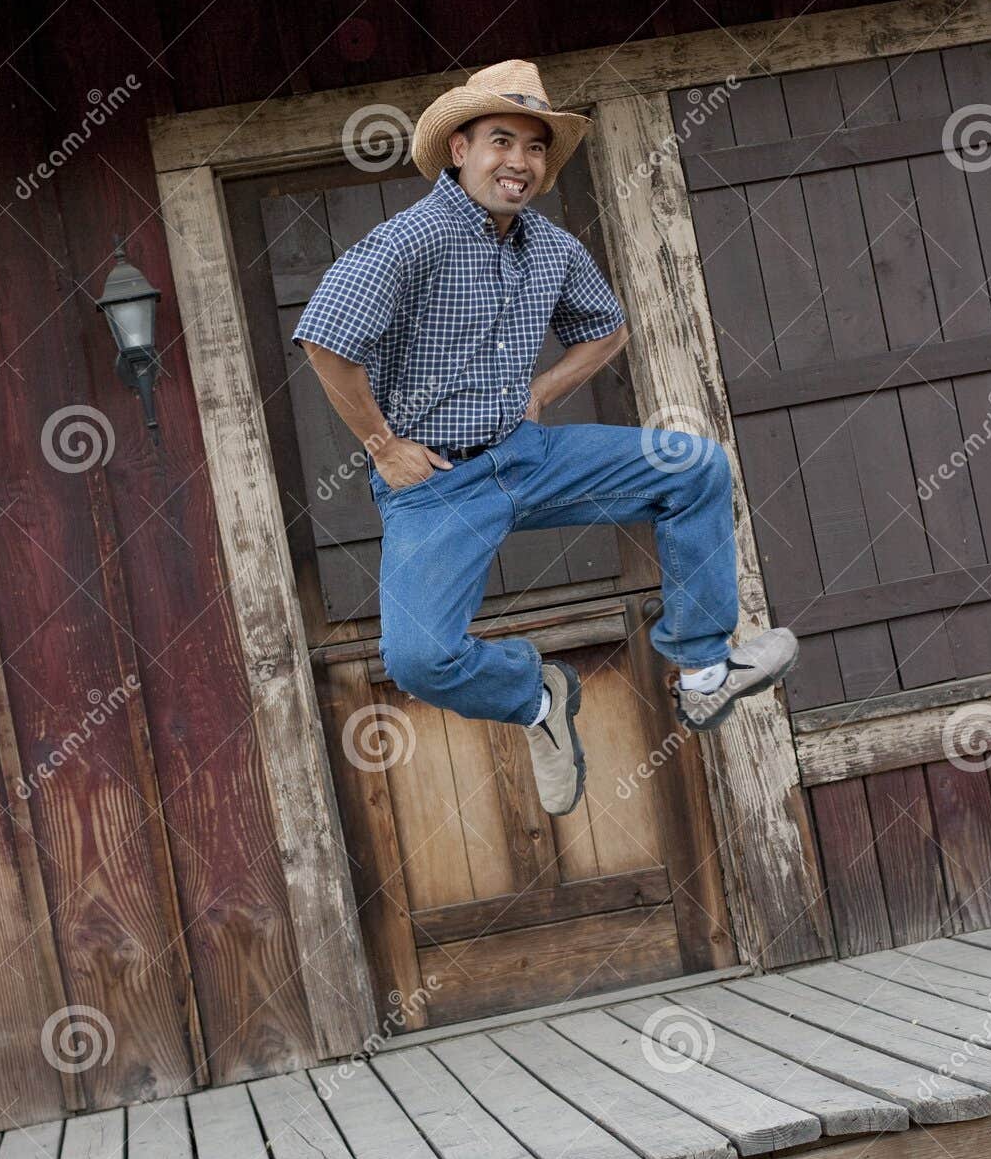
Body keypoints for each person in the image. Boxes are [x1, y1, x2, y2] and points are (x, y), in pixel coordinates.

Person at [292, 59, 798, 817]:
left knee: (692, 466)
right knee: (421, 659)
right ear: (459, 149)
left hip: (529, 459)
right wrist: (381, 445)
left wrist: (539, 392)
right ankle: (535, 697)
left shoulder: (549, 248)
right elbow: (326, 341)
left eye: (534, 148)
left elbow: (606, 330)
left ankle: (701, 671)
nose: (520, 162)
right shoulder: (409, 240)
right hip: (438, 484)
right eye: (501, 141)